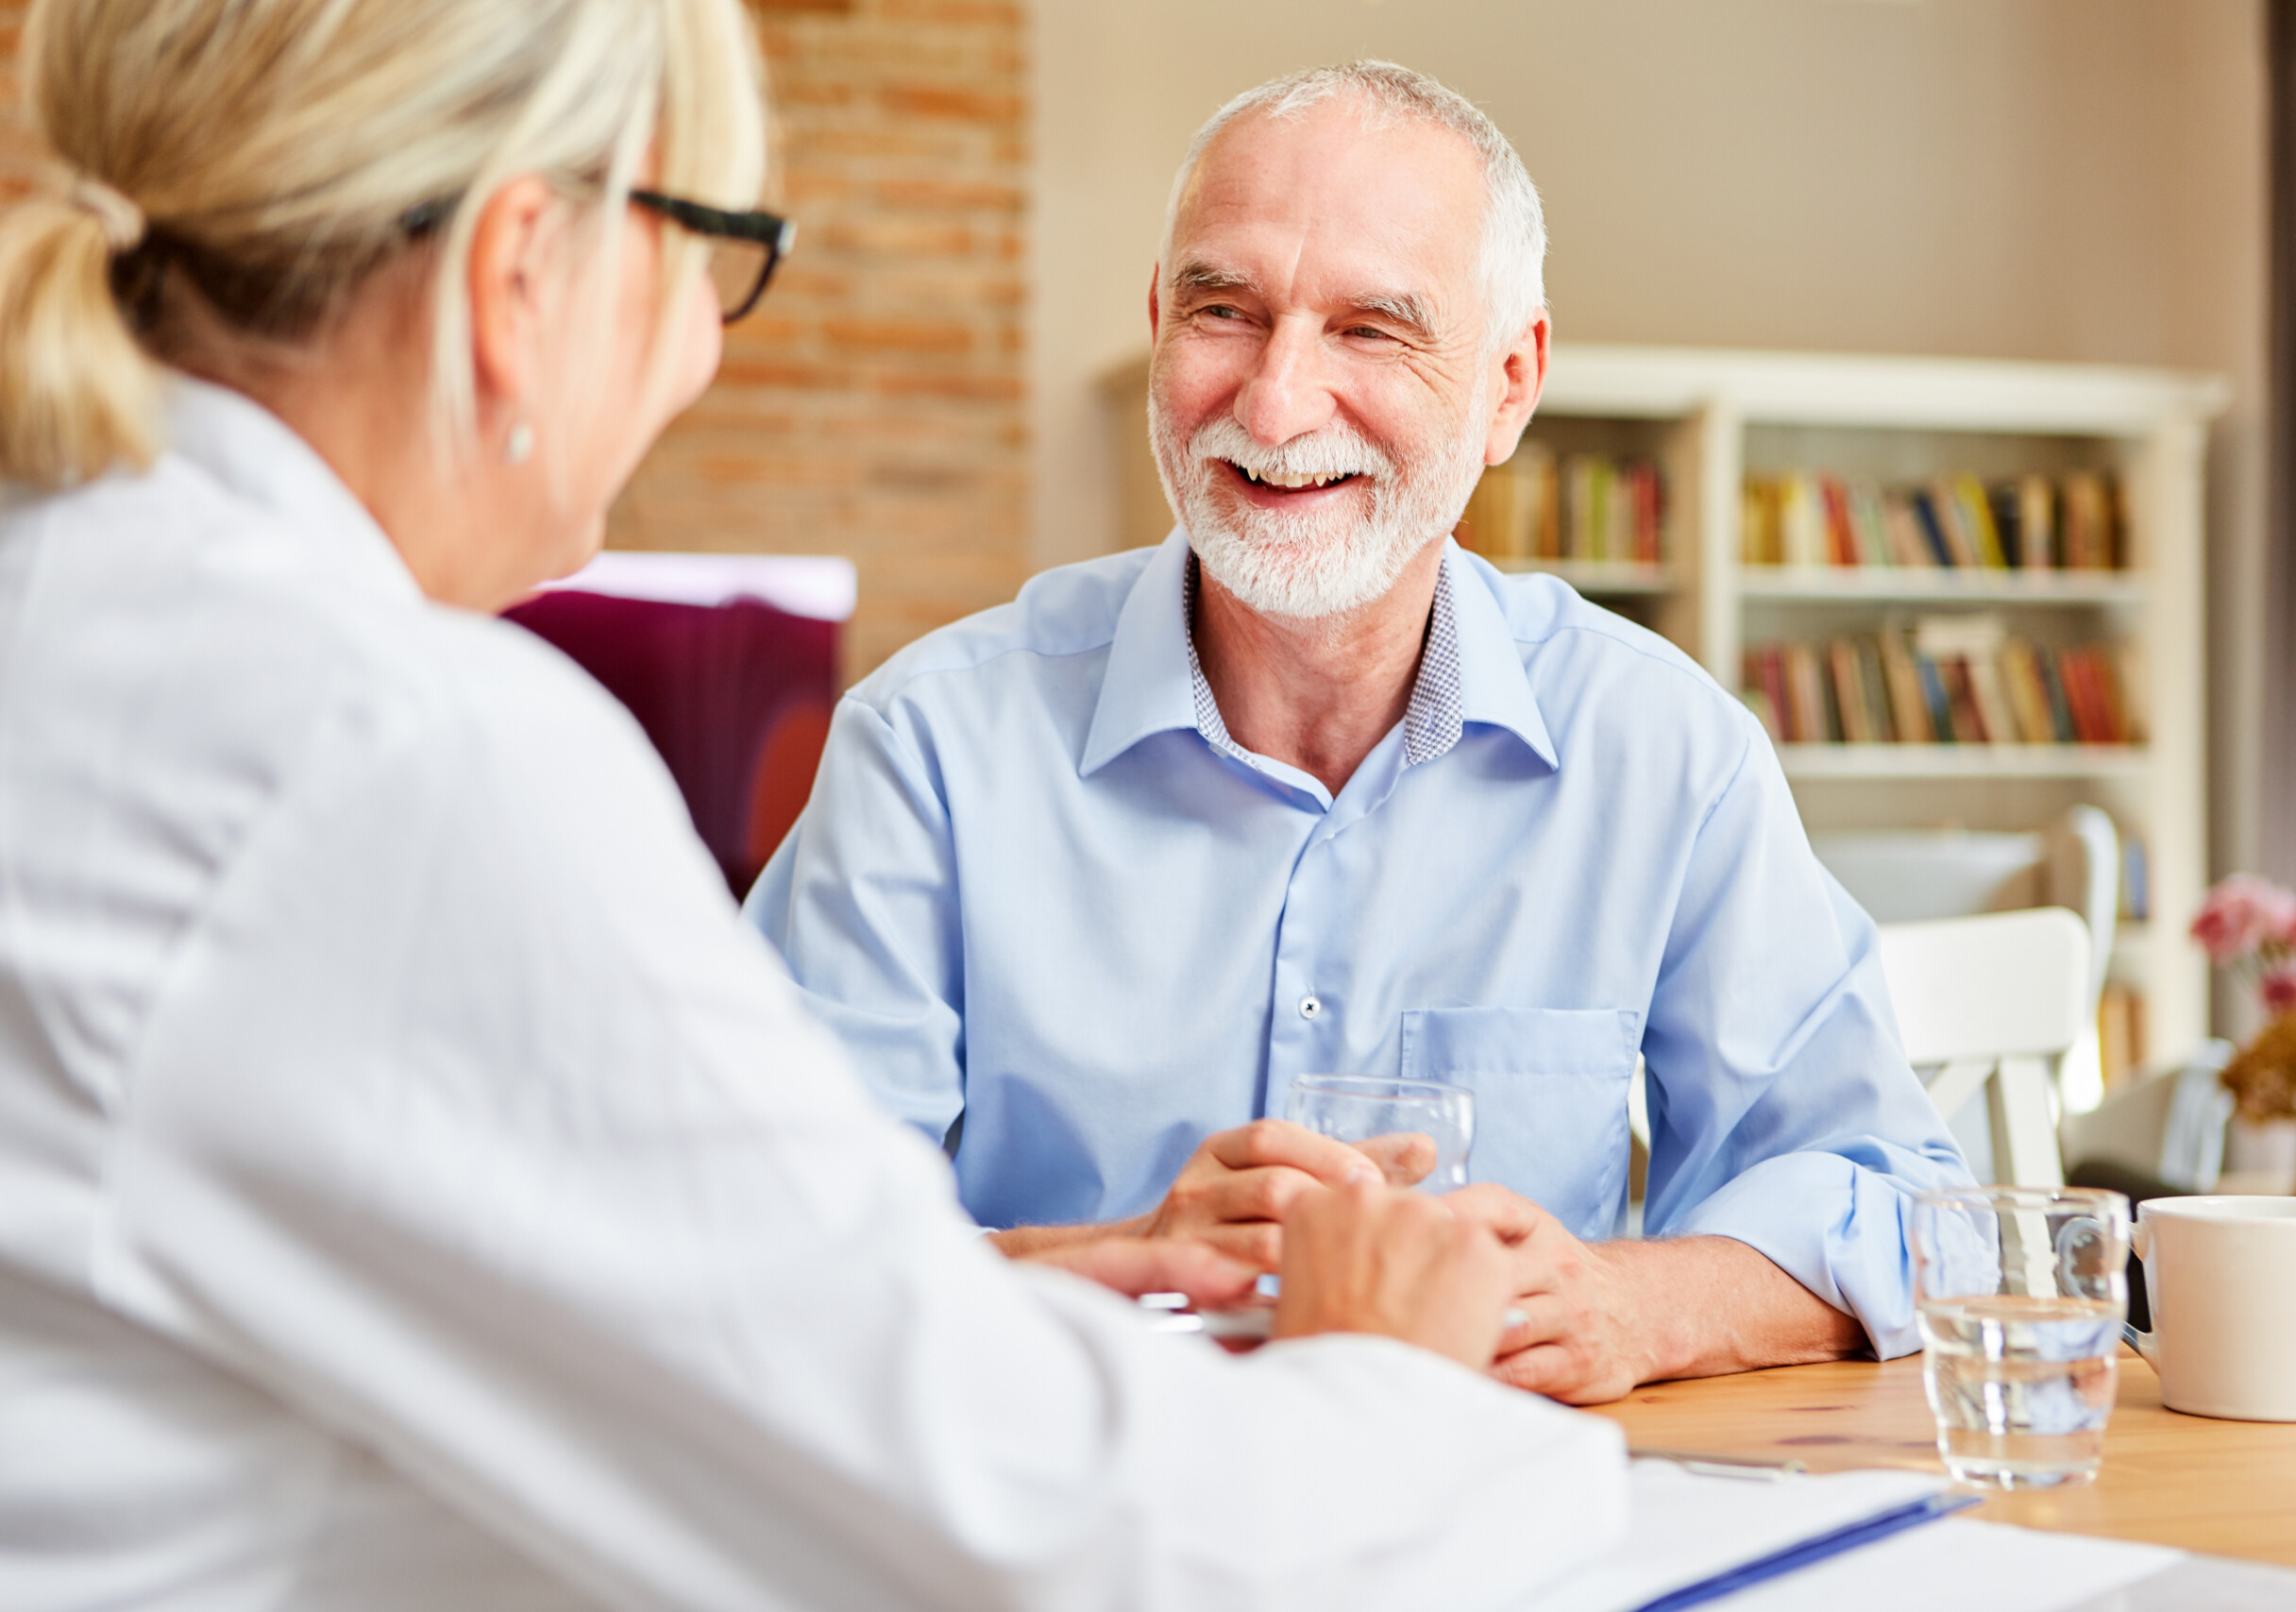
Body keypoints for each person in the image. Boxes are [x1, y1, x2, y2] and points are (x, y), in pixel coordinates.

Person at [0, 7, 1633, 1608]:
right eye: (711, 255)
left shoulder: (96, 620)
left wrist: (1020, 1289)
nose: (706, 344)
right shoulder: (389, 759)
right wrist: (1392, 1370)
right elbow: (1070, 1555)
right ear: (519, 276)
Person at [747, 60, 1974, 1408]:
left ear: (1510, 385)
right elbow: (751, 1241)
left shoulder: (1664, 753)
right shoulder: (926, 749)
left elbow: (1894, 1197)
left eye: (1372, 331)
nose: (1275, 406)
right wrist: (1120, 1262)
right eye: (1226, 311)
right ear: (1159, 325)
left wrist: (1635, 1304)